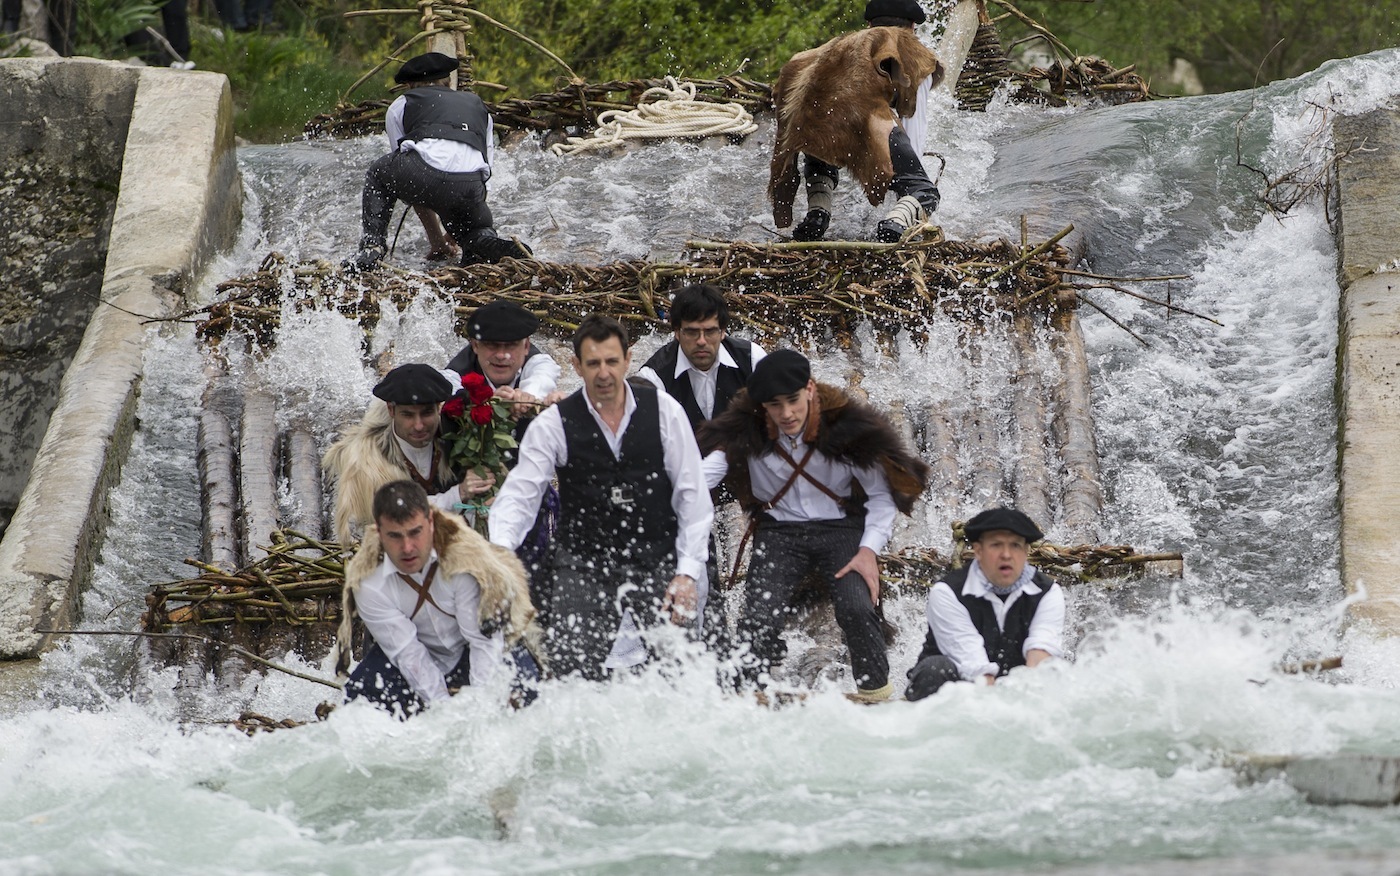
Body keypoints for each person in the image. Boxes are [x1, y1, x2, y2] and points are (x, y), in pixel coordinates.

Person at [488, 314, 714, 680]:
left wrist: (687, 573)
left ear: (627, 360)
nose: (604, 373)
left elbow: (693, 496)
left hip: (657, 559)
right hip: (583, 563)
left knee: (678, 677)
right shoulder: (554, 423)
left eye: (612, 361)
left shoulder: (665, 411)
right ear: (576, 366)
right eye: (593, 363)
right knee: (572, 677)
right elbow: (519, 495)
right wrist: (500, 554)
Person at [697, 350, 930, 701]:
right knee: (759, 617)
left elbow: (881, 496)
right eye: (775, 405)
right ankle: (749, 697)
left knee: (856, 606)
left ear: (809, 389)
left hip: (841, 528)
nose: (787, 414)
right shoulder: (744, 431)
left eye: (793, 400)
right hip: (779, 532)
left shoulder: (847, 429)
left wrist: (868, 552)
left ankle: (875, 694)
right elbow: (698, 480)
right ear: (762, 406)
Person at [337, 480, 542, 718]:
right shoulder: (368, 583)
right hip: (421, 655)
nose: (407, 547)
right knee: (357, 707)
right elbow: (408, 655)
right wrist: (444, 713)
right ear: (379, 533)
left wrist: (481, 712)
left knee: (525, 694)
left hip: (476, 648)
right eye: (395, 536)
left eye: (415, 532)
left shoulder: (465, 560)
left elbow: (483, 641)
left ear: (431, 523)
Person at [769, 0, 944, 243]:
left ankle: (818, 211)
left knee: (821, 142)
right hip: (865, 119)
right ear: (913, 26)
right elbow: (914, 122)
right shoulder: (912, 50)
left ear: (869, 24)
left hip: (811, 125)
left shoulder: (836, 47)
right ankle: (895, 223)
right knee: (925, 191)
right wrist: (908, 175)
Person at [346, 51, 530, 271]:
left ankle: (372, 247)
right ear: (449, 82)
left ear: (409, 86)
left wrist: (437, 241)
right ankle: (481, 240)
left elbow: (408, 175)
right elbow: (483, 172)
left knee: (379, 174)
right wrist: (457, 228)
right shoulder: (479, 107)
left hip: (422, 173)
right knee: (473, 231)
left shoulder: (402, 104)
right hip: (470, 185)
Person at [904, 507, 1065, 701]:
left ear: (1026, 551)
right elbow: (976, 668)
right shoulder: (947, 592)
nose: (1006, 554)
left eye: (1015, 545)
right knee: (935, 668)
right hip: (956, 692)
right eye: (996, 545)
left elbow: (1039, 659)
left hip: (1017, 694)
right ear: (978, 551)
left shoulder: (1048, 593)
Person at [324, 363, 474, 545]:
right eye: (408, 415)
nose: (419, 425)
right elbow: (399, 517)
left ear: (438, 408)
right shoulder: (367, 465)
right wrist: (458, 494)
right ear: (391, 410)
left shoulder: (457, 435)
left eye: (426, 413)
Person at [636, 284, 767, 429]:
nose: (701, 341)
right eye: (692, 332)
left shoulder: (752, 359)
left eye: (710, 332)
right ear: (677, 332)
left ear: (723, 331)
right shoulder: (654, 377)